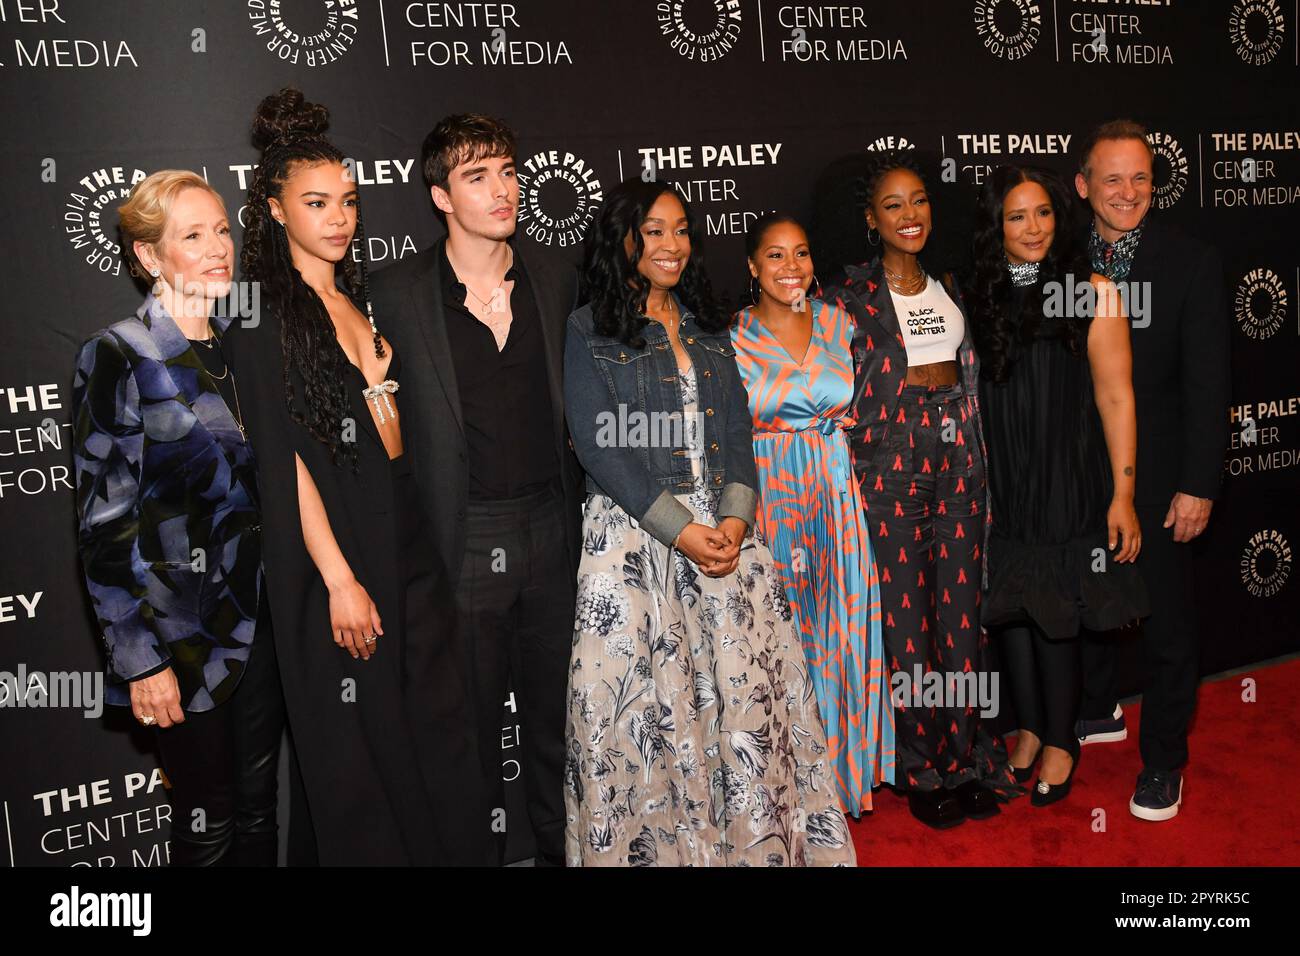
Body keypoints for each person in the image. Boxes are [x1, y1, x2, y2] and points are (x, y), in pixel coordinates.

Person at [224, 88, 488, 865]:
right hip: (336, 550)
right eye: (315, 203)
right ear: (274, 210)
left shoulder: (354, 296)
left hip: (406, 529)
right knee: (362, 753)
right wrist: (339, 577)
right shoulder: (262, 315)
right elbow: (284, 464)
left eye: (347, 200)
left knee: (434, 728)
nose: (338, 217)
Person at [562, 179, 856, 866]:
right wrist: (680, 529)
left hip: (727, 544)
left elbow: (737, 431)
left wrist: (734, 519)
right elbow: (598, 443)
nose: (673, 244)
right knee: (644, 719)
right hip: (636, 543)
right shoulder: (589, 328)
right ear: (625, 239)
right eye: (655, 230)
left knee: (744, 712)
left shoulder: (709, 325)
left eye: (682, 230)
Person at [367, 114, 583, 866]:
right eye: (476, 176)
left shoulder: (557, 278)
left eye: (507, 170)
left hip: (555, 534)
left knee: (559, 730)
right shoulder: (393, 295)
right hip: (462, 541)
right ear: (439, 196)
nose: (503, 190)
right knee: (467, 743)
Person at [72, 170, 282, 865]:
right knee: (208, 825)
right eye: (192, 235)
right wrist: (140, 661)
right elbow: (105, 524)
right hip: (178, 634)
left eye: (222, 228)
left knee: (258, 813)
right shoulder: (120, 353)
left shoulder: (242, 341)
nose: (219, 247)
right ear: (149, 256)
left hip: (266, 623)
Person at [822, 150, 1020, 830]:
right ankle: (919, 762)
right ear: (872, 219)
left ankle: (966, 755)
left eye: (919, 201)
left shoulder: (955, 288)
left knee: (961, 623)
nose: (911, 216)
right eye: (894, 205)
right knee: (906, 629)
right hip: (889, 481)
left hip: (961, 471)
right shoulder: (846, 301)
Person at [967, 165, 1148, 807]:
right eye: (1016, 216)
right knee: (1011, 608)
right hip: (1005, 481)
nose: (1033, 228)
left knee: (1056, 608)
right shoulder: (980, 296)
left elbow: (1116, 395)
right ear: (996, 226)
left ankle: (1063, 740)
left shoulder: (1092, 292)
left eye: (1042, 212)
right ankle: (1029, 728)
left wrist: (1123, 494)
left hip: (1068, 478)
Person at [1073, 120, 1231, 821]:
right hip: (1076, 470)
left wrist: (1199, 482)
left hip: (1164, 474)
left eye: (1140, 177)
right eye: (1112, 178)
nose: (1128, 191)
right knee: (1083, 600)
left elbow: (1209, 382)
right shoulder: (1057, 257)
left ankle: (1164, 760)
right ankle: (1097, 710)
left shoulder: (1190, 261)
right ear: (1083, 186)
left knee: (1166, 619)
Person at [729, 212, 894, 816]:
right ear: (752, 266)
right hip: (772, 499)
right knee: (781, 635)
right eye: (775, 255)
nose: (791, 266)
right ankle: (788, 785)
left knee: (841, 630)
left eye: (800, 253)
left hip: (835, 494)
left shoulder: (838, 321)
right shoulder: (733, 337)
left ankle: (843, 775)